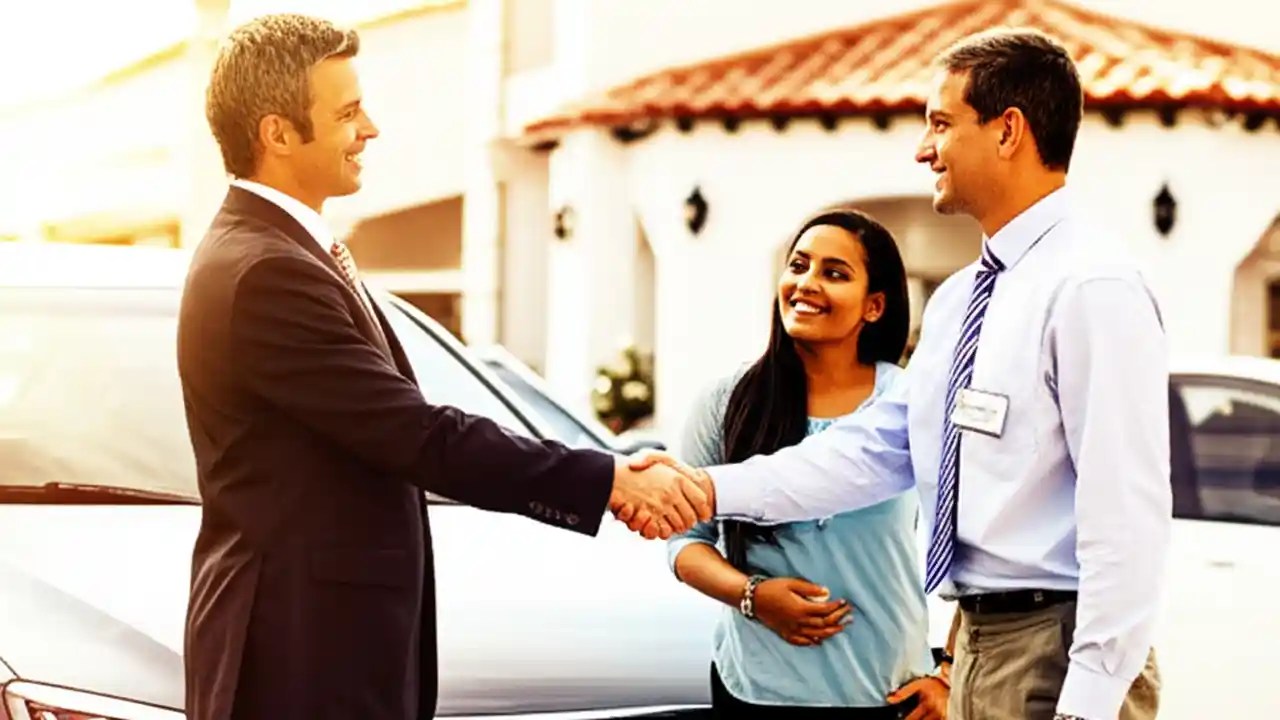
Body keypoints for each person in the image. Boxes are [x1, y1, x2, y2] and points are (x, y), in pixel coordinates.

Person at [176, 14, 707, 720]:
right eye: (348, 111)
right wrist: (607, 478)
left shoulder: (280, 252)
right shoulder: (266, 273)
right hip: (299, 657)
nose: (371, 129)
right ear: (276, 133)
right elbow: (415, 434)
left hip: (328, 644)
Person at [633, 27, 1169, 720]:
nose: (923, 148)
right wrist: (703, 488)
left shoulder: (1093, 286)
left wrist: (1089, 703)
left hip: (1059, 651)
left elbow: (1125, 511)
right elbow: (871, 450)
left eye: (940, 124)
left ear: (1008, 131)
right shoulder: (959, 302)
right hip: (983, 643)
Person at [667, 206, 949, 720]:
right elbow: (685, 542)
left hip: (888, 692)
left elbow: (973, 539)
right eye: (798, 266)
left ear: (875, 305)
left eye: (834, 273)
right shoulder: (728, 401)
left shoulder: (910, 403)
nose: (807, 283)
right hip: (756, 690)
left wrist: (948, 671)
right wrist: (753, 596)